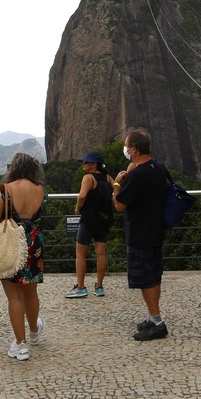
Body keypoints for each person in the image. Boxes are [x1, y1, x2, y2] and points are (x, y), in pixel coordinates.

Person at [0, 153, 47, 362]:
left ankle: (20, 346)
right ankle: (33, 332)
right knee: (31, 293)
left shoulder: (5, 189)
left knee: (14, 297)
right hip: (34, 244)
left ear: (14, 168)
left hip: (12, 244)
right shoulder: (40, 189)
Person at [112, 128, 170, 341]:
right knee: (153, 276)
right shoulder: (159, 168)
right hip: (155, 230)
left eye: (127, 146)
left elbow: (119, 205)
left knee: (146, 280)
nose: (126, 150)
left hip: (140, 233)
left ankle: (157, 322)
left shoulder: (137, 174)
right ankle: (152, 317)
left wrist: (117, 184)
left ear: (134, 150)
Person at [65, 150, 113, 299]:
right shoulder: (108, 177)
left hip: (89, 219)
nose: (83, 164)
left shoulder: (88, 178)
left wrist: (77, 208)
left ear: (94, 164)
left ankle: (81, 287)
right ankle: (99, 287)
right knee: (101, 253)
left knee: (80, 254)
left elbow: (82, 195)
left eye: (86, 162)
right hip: (104, 219)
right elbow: (116, 189)